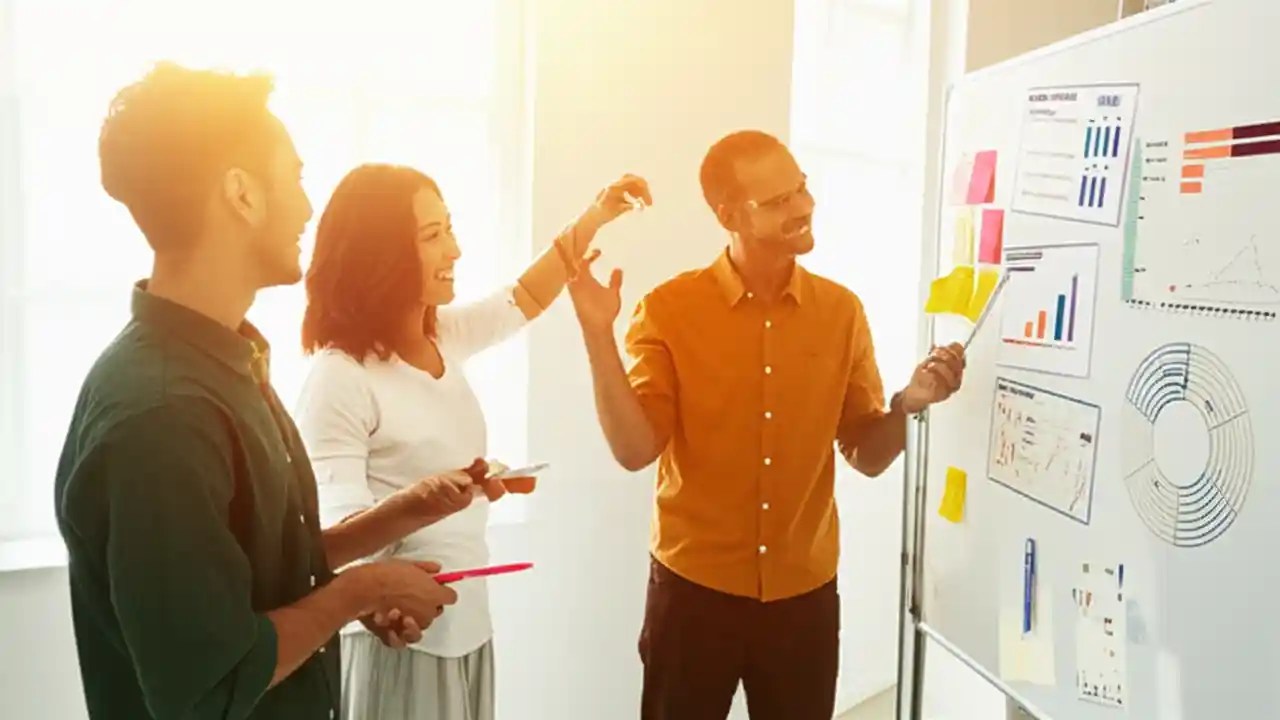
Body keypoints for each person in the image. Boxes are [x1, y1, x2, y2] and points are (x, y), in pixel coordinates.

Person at [53, 63, 466, 720]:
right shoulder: (164, 418)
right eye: (297, 177)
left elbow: (259, 569)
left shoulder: (226, 361)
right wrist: (359, 592)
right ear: (241, 194)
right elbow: (211, 685)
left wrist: (398, 519)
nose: (306, 206)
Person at [564, 130, 967, 720]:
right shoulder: (670, 310)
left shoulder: (841, 312)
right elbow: (634, 449)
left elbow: (867, 453)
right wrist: (598, 333)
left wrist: (910, 403)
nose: (802, 206)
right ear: (728, 214)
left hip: (803, 599)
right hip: (694, 594)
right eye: (778, 201)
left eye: (801, 187)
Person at [293, 162, 651, 720]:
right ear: (380, 254)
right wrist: (426, 503)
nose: (454, 250)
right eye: (432, 236)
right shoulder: (341, 376)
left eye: (450, 229)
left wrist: (598, 215)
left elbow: (526, 296)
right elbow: (336, 537)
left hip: (466, 626)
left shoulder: (441, 336)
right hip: (405, 639)